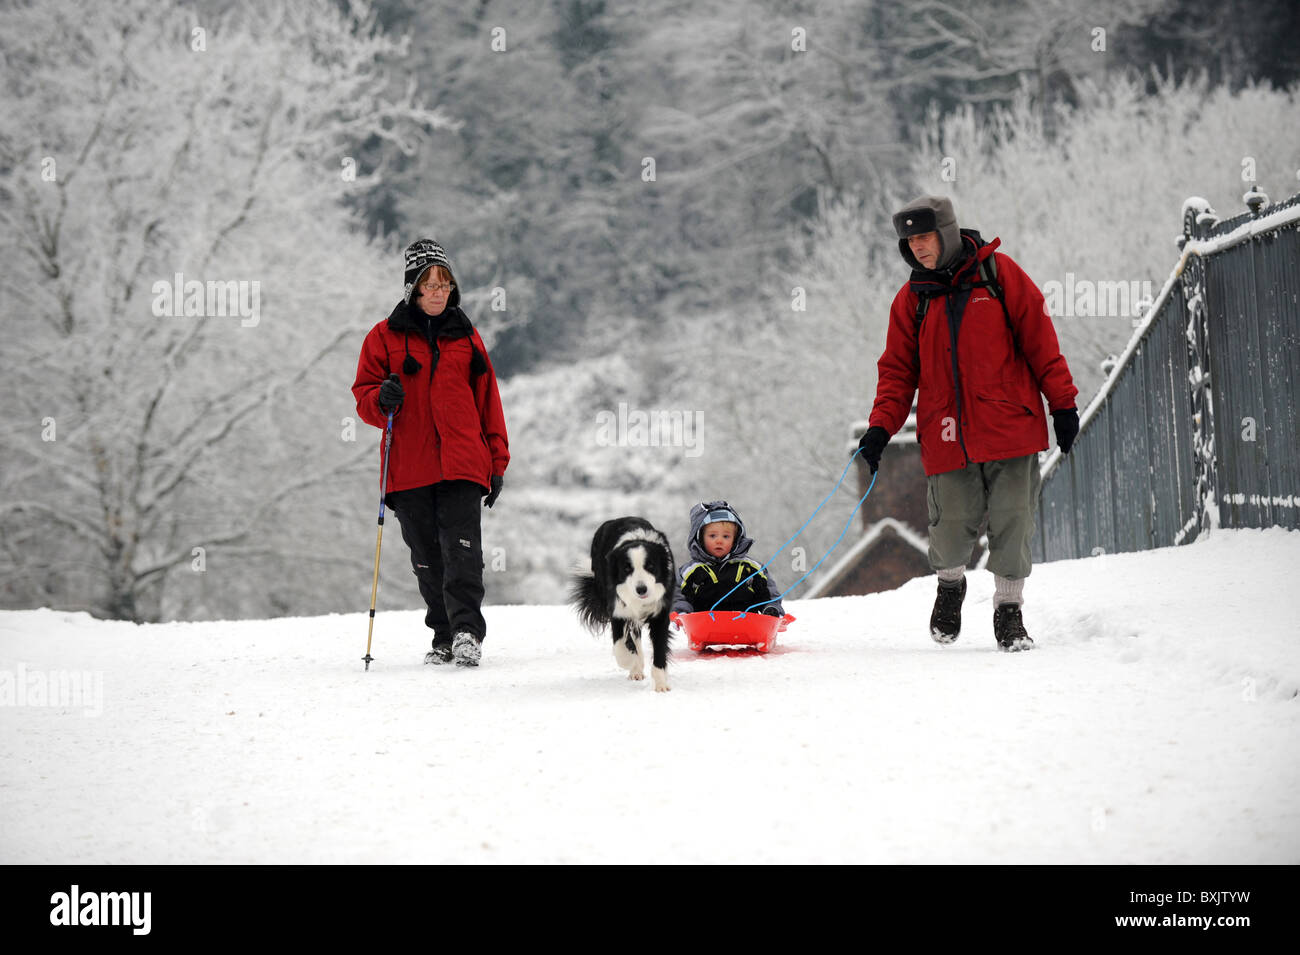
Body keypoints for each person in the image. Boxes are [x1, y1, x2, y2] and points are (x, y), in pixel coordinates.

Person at [857, 195, 1079, 651]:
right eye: (910, 241)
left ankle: (1009, 611)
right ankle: (951, 585)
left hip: (1011, 427)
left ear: (947, 233)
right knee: (951, 521)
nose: (918, 248)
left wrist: (1063, 404)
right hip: (947, 434)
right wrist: (880, 427)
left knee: (1013, 520)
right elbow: (897, 373)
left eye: (925, 237)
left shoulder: (999, 276)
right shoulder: (911, 301)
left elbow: (1041, 342)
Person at [352, 239, 509, 667]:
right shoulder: (383, 338)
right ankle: (443, 634)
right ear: (412, 289)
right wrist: (380, 398)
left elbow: (487, 401)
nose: (438, 292)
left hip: (463, 462)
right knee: (426, 557)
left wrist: (497, 462)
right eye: (429, 284)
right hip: (409, 468)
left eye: (444, 284)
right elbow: (363, 397)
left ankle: (466, 633)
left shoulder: (466, 337)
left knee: (463, 552)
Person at [673, 501, 784, 617]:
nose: (719, 541)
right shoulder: (691, 571)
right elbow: (679, 595)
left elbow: (767, 591)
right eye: (712, 536)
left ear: (735, 539)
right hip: (704, 627)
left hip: (746, 626)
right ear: (700, 538)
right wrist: (681, 612)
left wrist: (772, 608)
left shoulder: (750, 567)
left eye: (726, 536)